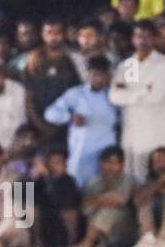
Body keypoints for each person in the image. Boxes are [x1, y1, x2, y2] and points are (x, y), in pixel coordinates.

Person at [110, 21, 165, 181]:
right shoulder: (130, 65)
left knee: (163, 179)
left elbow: (156, 98)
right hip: (133, 133)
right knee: (135, 181)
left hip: (160, 132)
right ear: (132, 39)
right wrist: (144, 90)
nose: (142, 41)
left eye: (147, 37)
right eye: (138, 36)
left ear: (155, 39)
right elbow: (116, 97)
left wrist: (131, 93)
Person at [43, 55, 118, 187]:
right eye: (95, 75)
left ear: (108, 75)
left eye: (102, 75)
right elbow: (50, 113)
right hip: (80, 155)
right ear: (88, 74)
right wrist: (70, 118)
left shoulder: (114, 96)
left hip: (105, 157)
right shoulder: (76, 94)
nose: (99, 79)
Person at [79, 146, 136, 247]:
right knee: (98, 212)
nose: (111, 167)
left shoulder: (129, 180)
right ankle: (101, 245)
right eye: (107, 163)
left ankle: (87, 243)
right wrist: (104, 199)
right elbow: (85, 208)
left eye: (115, 163)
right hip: (97, 225)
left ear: (122, 164)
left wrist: (97, 200)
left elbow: (120, 200)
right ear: (101, 164)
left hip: (125, 227)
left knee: (109, 211)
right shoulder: (94, 183)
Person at [129, 146, 165, 247]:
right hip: (151, 228)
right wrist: (157, 185)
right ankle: (148, 238)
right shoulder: (146, 183)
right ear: (151, 165)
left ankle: (164, 241)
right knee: (145, 199)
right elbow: (137, 201)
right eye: (157, 161)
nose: (162, 165)